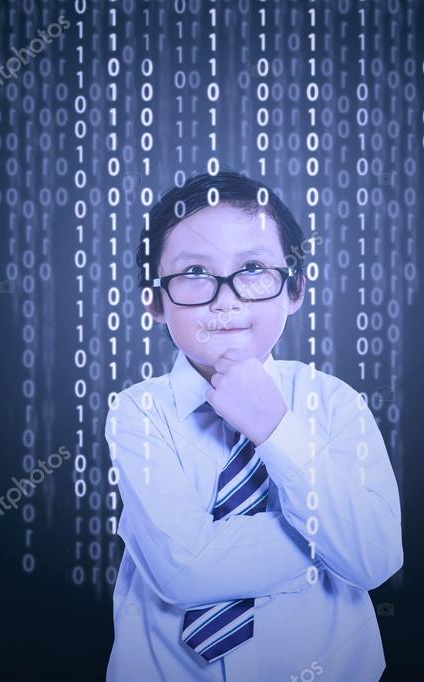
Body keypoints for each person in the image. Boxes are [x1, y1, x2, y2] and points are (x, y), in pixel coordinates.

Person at [105, 170, 403, 681]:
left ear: (296, 290)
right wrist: (327, 545)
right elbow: (184, 571)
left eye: (254, 269)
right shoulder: (138, 413)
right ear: (154, 299)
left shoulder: (336, 404)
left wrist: (274, 428)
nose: (226, 298)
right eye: (195, 271)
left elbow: (376, 559)